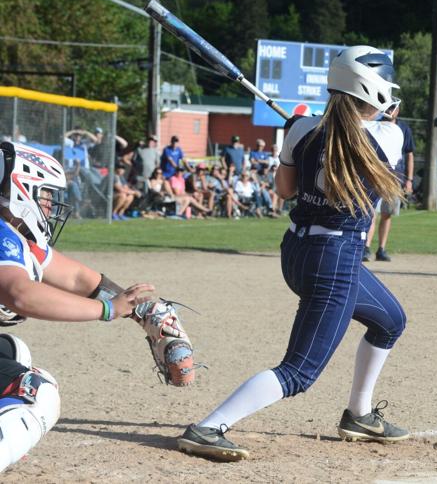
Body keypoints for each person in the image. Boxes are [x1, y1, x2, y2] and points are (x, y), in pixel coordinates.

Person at [177, 45, 409, 462]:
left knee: (390, 320)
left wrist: (307, 134)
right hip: (334, 259)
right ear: (372, 90)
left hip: (298, 252)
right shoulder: (388, 137)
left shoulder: (301, 129)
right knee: (298, 373)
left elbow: (285, 191)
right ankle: (209, 427)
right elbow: (387, 151)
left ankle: (359, 414)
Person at [0, 141, 159, 472]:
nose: (48, 205)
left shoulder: (16, 237)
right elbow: (20, 294)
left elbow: (75, 277)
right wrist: (107, 310)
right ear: (19, 187)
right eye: (44, 194)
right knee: (38, 393)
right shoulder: (3, 234)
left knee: (16, 353)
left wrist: (140, 310)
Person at [363, 102, 413, 262]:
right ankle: (366, 247)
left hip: (394, 177)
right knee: (371, 213)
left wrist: (409, 179)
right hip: (375, 177)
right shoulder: (374, 125)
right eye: (388, 108)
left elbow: (409, 154)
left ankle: (381, 249)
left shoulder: (403, 128)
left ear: (398, 110)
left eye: (393, 108)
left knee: (386, 214)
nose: (390, 111)